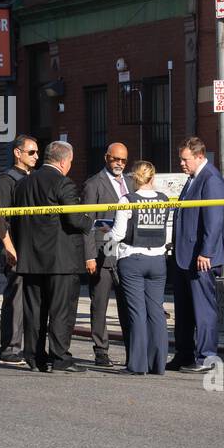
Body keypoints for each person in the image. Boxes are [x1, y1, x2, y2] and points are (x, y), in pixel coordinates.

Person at [11, 141, 93, 373]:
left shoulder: (23, 184)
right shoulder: (63, 183)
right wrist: (91, 222)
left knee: (35, 311)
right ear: (64, 161)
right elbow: (74, 219)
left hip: (31, 258)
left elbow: (15, 221)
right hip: (60, 260)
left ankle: (35, 356)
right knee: (61, 309)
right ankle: (60, 356)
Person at [108, 161, 172, 376]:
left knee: (137, 313)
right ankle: (158, 364)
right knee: (156, 312)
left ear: (133, 179)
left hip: (132, 259)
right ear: (153, 178)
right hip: (158, 260)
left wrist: (107, 238)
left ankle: (137, 365)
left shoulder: (127, 200)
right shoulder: (164, 200)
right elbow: (167, 232)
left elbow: (117, 234)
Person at [168, 137, 224, 373]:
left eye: (185, 159)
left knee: (203, 310)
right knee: (183, 310)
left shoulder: (210, 179)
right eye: (180, 159)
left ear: (199, 156)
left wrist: (207, 252)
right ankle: (184, 354)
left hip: (200, 257)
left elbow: (214, 219)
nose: (181, 163)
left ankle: (207, 356)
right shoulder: (192, 179)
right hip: (184, 256)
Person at [81, 142, 135, 367]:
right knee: (100, 303)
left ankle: (133, 348)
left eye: (123, 160)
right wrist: (89, 255)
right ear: (106, 158)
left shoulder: (132, 182)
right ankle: (101, 350)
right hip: (103, 248)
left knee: (128, 302)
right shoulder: (93, 184)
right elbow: (86, 223)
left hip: (127, 250)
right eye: (115, 159)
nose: (119, 164)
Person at [0, 135, 38, 366]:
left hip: (34, 249)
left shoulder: (34, 178)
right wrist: (8, 247)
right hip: (16, 247)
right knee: (15, 299)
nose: (36, 156)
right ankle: (10, 349)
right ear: (17, 153)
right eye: (31, 152)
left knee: (31, 300)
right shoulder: (7, 180)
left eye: (37, 152)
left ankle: (28, 347)